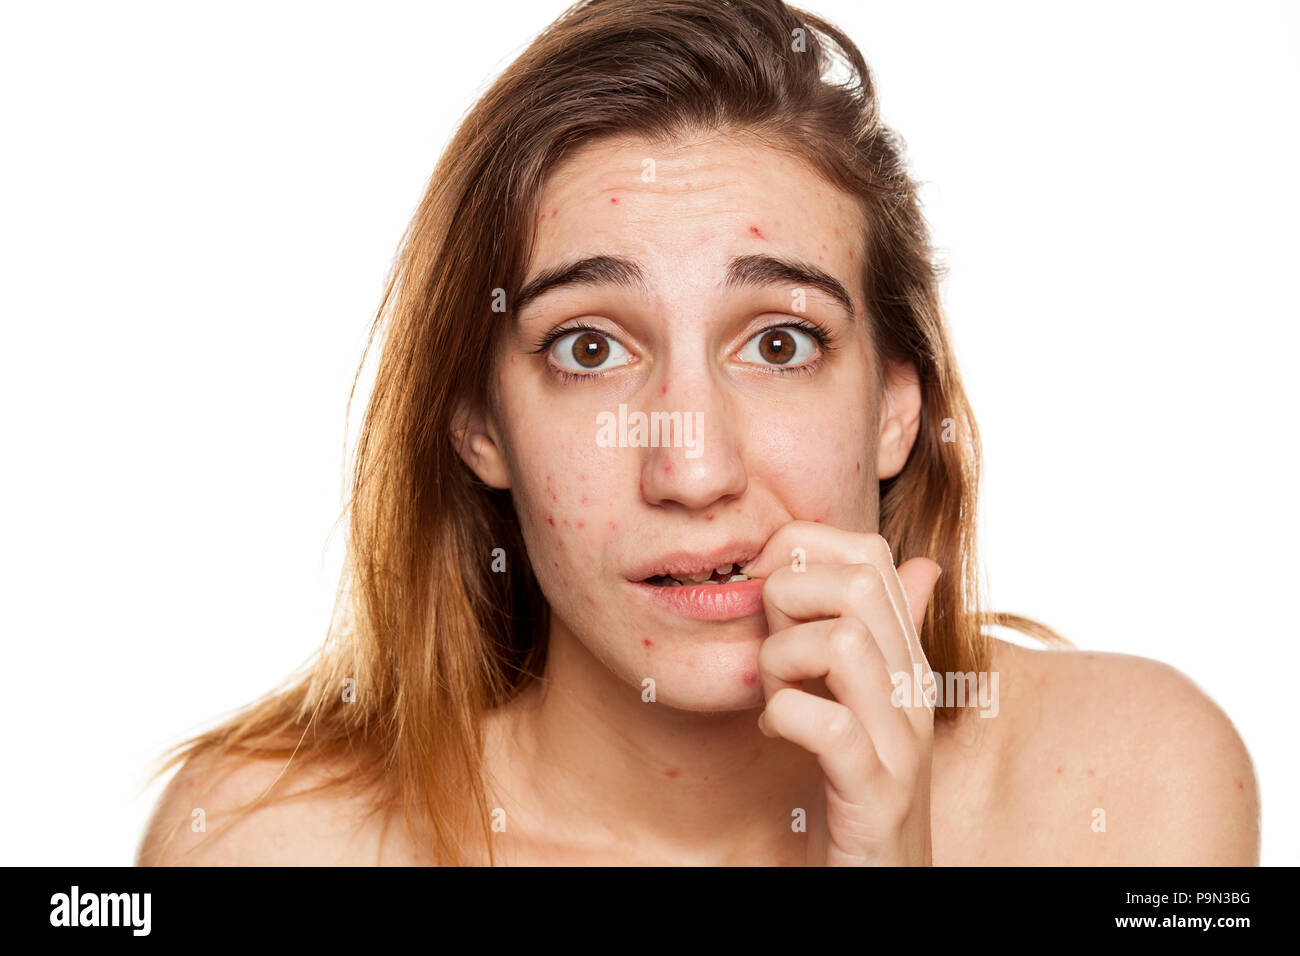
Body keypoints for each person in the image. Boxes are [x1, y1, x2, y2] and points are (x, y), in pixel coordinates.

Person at [137, 0, 1259, 866]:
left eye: (778, 342)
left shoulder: (1131, 784)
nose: (692, 466)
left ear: (895, 409)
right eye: (588, 347)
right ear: (480, 424)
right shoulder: (264, 843)